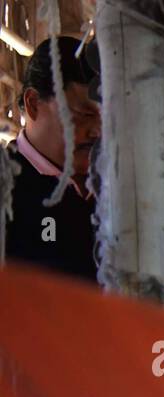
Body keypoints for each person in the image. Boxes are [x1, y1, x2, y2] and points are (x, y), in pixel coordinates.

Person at [4, 35, 101, 281]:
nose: (98, 131)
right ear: (34, 103)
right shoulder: (5, 189)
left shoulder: (114, 191)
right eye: (84, 114)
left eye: (107, 117)